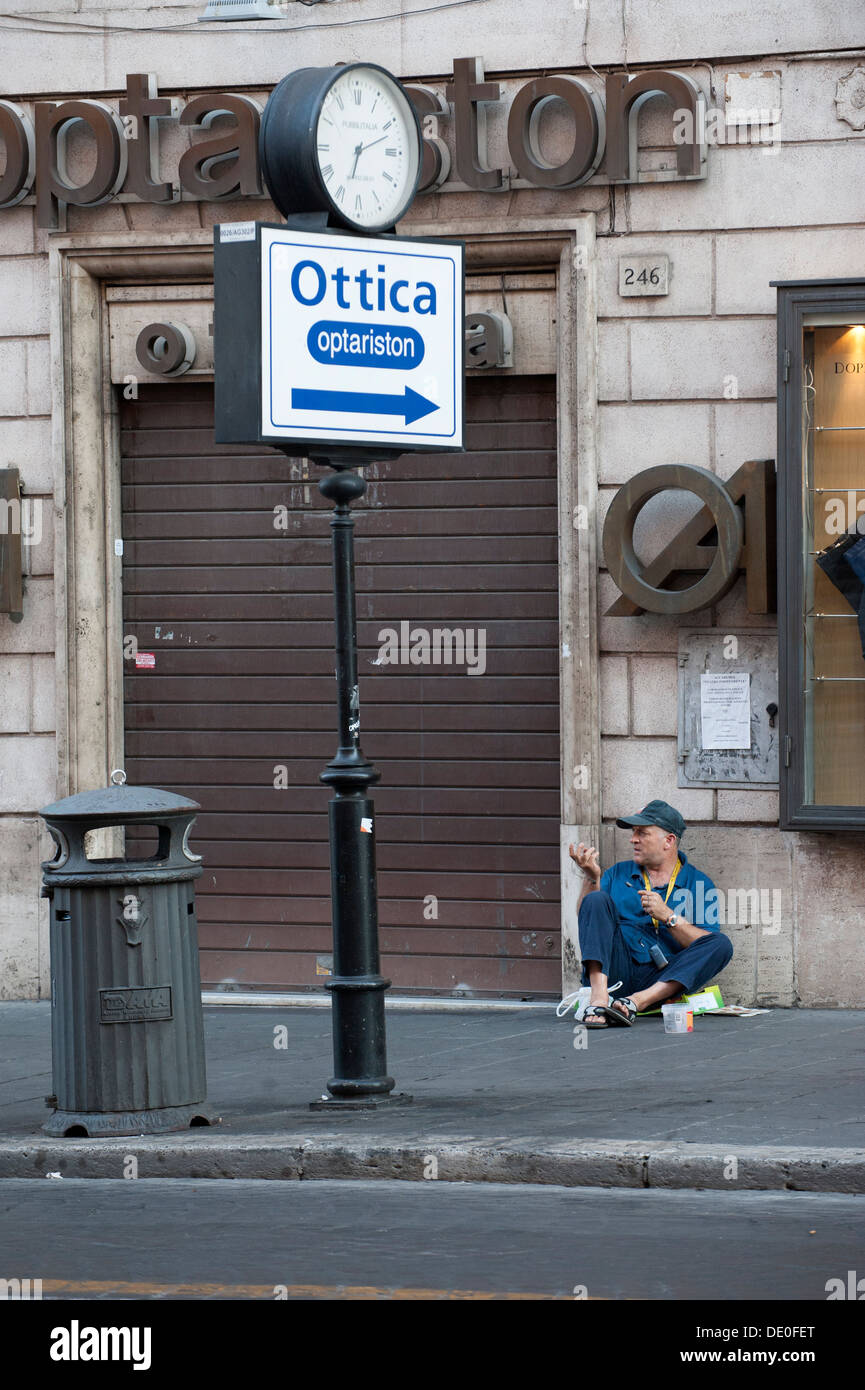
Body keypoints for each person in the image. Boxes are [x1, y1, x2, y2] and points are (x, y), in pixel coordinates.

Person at [569, 799, 733, 1028]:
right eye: (634, 832)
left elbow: (705, 944)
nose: (633, 839)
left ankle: (636, 1002)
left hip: (660, 981)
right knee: (595, 899)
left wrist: (669, 917)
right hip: (615, 972)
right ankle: (598, 998)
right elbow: (587, 917)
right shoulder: (618, 873)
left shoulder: (699, 884)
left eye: (642, 833)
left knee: (721, 944)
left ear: (668, 840)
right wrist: (591, 877)